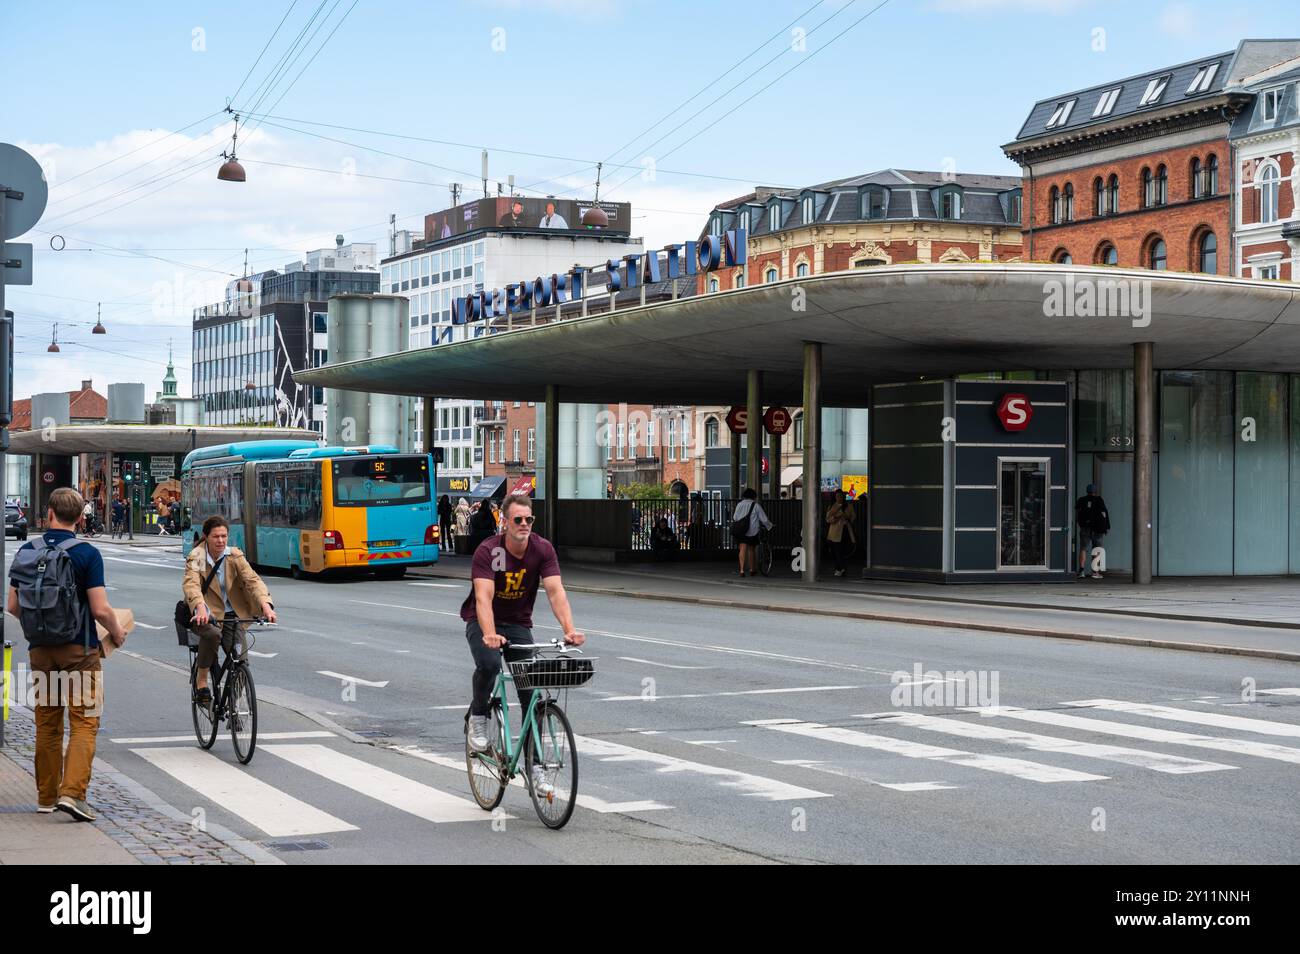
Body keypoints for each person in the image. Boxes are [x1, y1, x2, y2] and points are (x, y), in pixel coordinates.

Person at [7, 488, 127, 822]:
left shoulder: (27, 550)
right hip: (80, 652)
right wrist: (116, 632)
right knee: (85, 722)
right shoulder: (87, 553)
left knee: (47, 724)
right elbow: (100, 609)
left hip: (41, 652)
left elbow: (13, 606)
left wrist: (42, 627)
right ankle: (73, 795)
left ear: (48, 514)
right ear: (80, 518)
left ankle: (46, 797)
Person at [461, 494, 584, 796]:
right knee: (489, 663)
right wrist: (489, 634)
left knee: (531, 695)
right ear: (505, 521)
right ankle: (479, 717)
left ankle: (537, 768)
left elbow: (556, 592)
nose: (525, 525)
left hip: (518, 624)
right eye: (518, 519)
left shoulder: (542, 549)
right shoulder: (490, 551)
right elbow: (483, 599)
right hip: (483, 621)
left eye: (529, 520)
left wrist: (569, 629)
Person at [183, 515, 277, 710]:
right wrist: (200, 606)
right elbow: (191, 585)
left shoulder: (234, 556)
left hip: (232, 615)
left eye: (224, 536)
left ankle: (233, 702)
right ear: (206, 537)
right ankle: (201, 679)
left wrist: (265, 604)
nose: (220, 541)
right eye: (216, 536)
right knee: (212, 634)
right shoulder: (198, 556)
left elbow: (253, 581)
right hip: (206, 614)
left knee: (241, 661)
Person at [732, 487, 773, 577]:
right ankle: (752, 569)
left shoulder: (739, 505)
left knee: (742, 549)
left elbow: (735, 518)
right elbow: (764, 519)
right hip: (752, 531)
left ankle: (742, 571)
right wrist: (770, 526)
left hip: (741, 531)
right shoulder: (756, 505)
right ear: (754, 496)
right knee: (751, 550)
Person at [1075, 483, 1111, 579]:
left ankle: (1081, 571)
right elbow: (1104, 514)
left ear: (1087, 491)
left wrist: (1080, 523)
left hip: (1085, 528)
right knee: (1097, 550)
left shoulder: (1081, 500)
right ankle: (1095, 572)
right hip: (1097, 529)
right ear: (1096, 492)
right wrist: (1106, 527)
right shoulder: (1099, 500)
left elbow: (1077, 512)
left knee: (1083, 548)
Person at [825, 489, 857, 578]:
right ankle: (839, 568)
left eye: (841, 496)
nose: (840, 498)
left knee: (841, 551)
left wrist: (847, 517)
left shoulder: (849, 506)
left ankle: (841, 568)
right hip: (834, 531)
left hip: (845, 530)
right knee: (835, 552)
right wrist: (836, 517)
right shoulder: (832, 506)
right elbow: (828, 519)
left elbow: (853, 517)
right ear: (835, 497)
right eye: (838, 496)